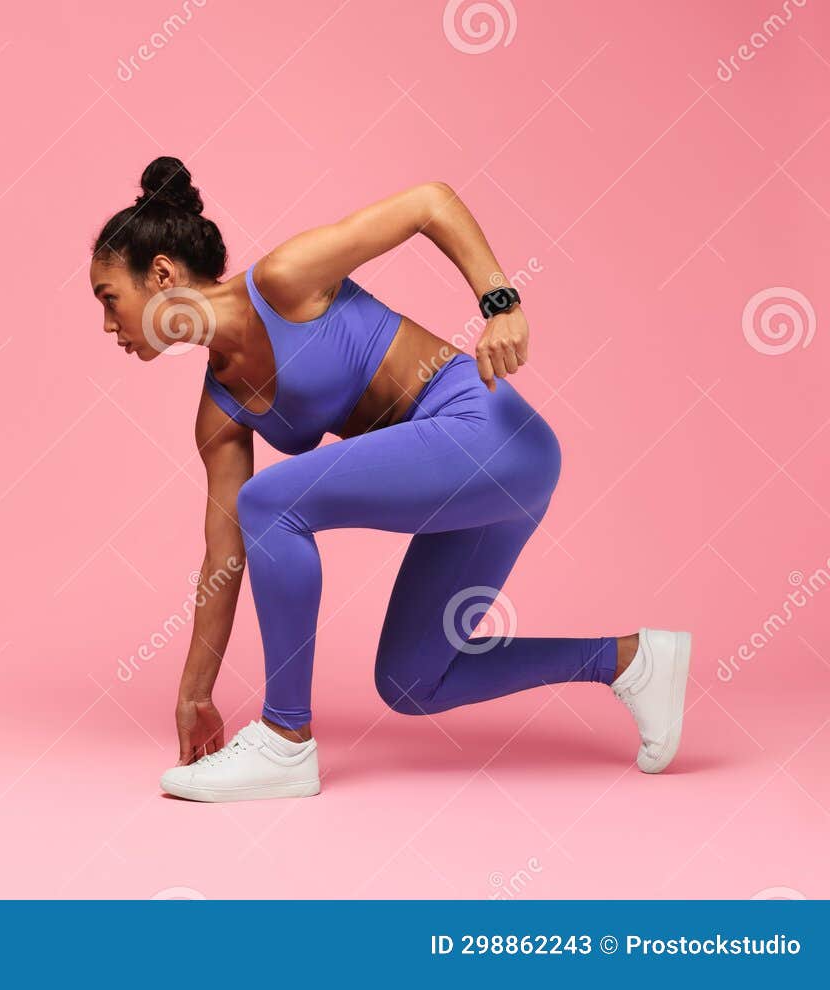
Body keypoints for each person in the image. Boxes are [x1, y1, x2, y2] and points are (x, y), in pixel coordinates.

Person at [89, 156, 691, 802]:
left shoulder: (283, 280)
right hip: (475, 488)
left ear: (159, 275)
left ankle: (286, 740)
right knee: (411, 679)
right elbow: (226, 553)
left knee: (269, 498)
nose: (107, 327)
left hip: (492, 433)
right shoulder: (220, 413)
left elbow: (428, 203)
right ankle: (633, 662)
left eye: (108, 299)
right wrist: (195, 694)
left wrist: (502, 303)